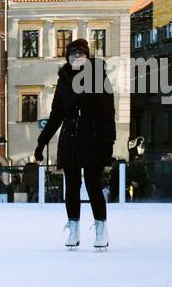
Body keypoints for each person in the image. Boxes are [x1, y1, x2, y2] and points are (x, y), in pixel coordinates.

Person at [34, 39, 115, 250]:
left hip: (93, 139)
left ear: (87, 57)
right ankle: (74, 229)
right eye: (72, 53)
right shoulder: (63, 81)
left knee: (93, 186)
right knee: (70, 188)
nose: (76, 56)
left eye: (80, 53)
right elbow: (56, 116)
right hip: (69, 139)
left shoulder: (99, 78)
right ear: (67, 58)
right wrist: (42, 142)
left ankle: (101, 229)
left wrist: (108, 143)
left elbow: (108, 114)